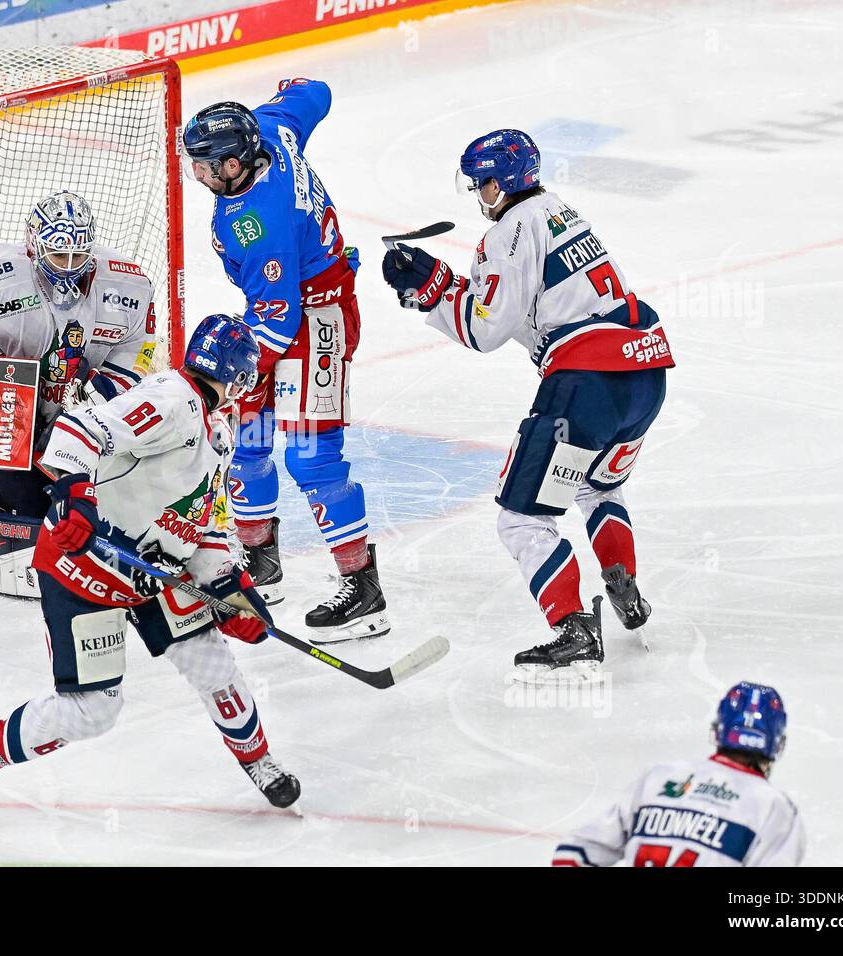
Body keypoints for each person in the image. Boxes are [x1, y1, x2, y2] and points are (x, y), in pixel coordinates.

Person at [0, 315, 301, 833]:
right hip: (84, 567)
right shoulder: (174, 401)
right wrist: (75, 495)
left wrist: (230, 587)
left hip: (153, 572)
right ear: (238, 375)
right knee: (92, 711)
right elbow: (79, 429)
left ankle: (257, 760)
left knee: (213, 666)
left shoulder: (215, 430)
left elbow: (203, 523)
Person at [380, 129, 675, 682]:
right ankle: (624, 587)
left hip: (588, 387)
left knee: (521, 521)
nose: (479, 194)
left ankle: (572, 628)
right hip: (645, 371)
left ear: (507, 180)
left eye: (484, 183)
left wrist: (427, 291)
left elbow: (486, 328)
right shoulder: (558, 212)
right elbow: (524, 308)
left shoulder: (510, 230)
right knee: (598, 487)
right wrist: (438, 282)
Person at [180, 79, 391, 644]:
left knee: (310, 455)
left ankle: (364, 588)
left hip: (315, 325)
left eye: (203, 166)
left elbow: (278, 321)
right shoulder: (272, 129)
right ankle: (261, 562)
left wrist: (217, 379)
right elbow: (315, 91)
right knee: (247, 435)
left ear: (232, 163)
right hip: (284, 310)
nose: (195, 175)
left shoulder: (257, 225)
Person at [0, 189, 158, 517]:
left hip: (82, 413)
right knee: (16, 512)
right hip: (4, 415)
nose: (69, 268)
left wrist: (101, 394)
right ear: (34, 246)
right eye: (59, 256)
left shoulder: (129, 284)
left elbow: (138, 345)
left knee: (87, 514)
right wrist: (4, 386)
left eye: (79, 256)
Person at [553, 682, 804, 866]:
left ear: (718, 731)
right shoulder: (773, 807)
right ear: (776, 744)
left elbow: (576, 851)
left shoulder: (659, 779)